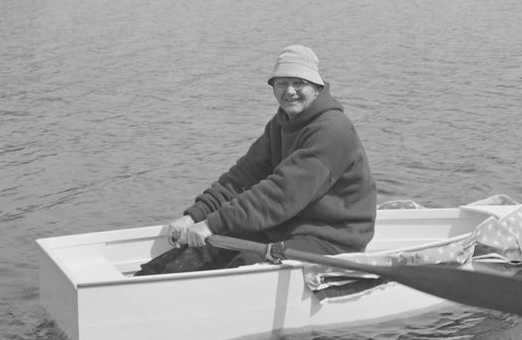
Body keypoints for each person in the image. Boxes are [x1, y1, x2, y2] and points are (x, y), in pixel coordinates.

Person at [137, 45, 376, 275]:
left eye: (299, 83)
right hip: (285, 225)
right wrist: (196, 216)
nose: (289, 91)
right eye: (282, 83)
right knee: (195, 254)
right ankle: (146, 285)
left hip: (332, 236)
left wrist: (212, 225)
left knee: (244, 266)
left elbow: (281, 193)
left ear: (317, 87)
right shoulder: (280, 125)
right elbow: (242, 178)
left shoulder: (332, 130)